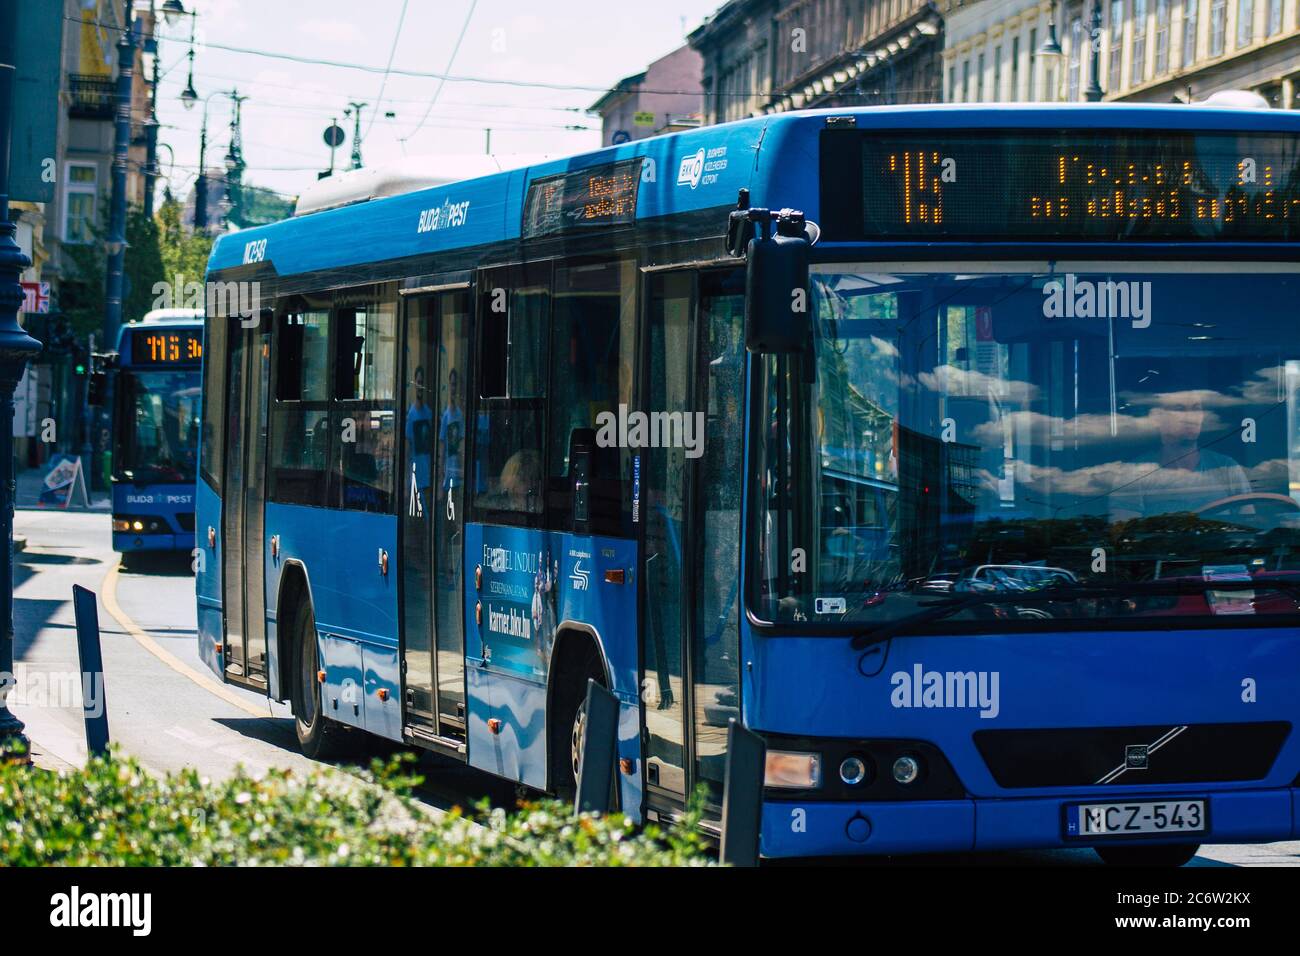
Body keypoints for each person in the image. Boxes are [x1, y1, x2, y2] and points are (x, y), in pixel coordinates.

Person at [1110, 394, 1250, 519]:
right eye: (1179, 409)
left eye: (1196, 409)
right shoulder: (1133, 475)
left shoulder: (1226, 467)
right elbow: (1125, 538)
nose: (1190, 418)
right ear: (1157, 418)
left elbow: (1249, 528)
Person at [405, 366, 433, 517]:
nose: (420, 386)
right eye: (418, 382)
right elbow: (408, 449)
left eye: (423, 383)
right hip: (415, 479)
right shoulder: (410, 415)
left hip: (429, 477)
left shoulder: (430, 414)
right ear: (414, 384)